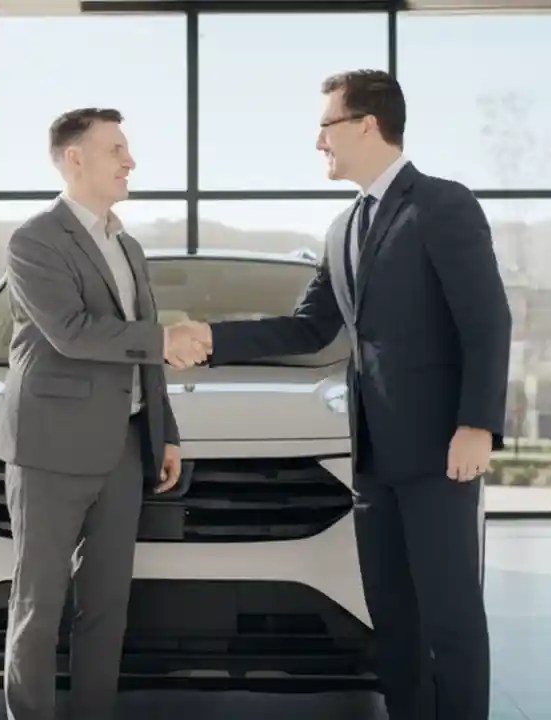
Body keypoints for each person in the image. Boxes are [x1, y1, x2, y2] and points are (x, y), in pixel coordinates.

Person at [170, 70, 511, 719]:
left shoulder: (442, 204)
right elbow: (307, 328)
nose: (318, 141)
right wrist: (208, 336)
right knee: (394, 623)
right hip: (371, 459)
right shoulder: (343, 227)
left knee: (451, 619)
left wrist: (479, 424)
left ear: (364, 124)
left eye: (326, 125)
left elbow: (487, 320)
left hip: (440, 451)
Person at [0, 107, 208, 720]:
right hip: (51, 448)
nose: (130, 162)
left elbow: (144, 352)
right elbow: (70, 331)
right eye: (116, 149)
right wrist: (164, 339)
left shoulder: (128, 244)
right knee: (38, 602)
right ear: (75, 158)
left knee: (107, 603)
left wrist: (164, 433)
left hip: (124, 446)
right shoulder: (35, 240)